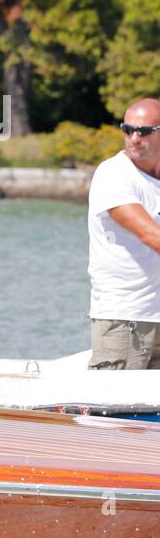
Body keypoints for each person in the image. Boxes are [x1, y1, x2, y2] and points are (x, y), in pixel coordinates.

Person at [87, 97, 160, 370]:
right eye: (127, 130)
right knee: (113, 407)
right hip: (125, 317)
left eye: (144, 131)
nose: (134, 138)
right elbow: (152, 237)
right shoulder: (113, 175)